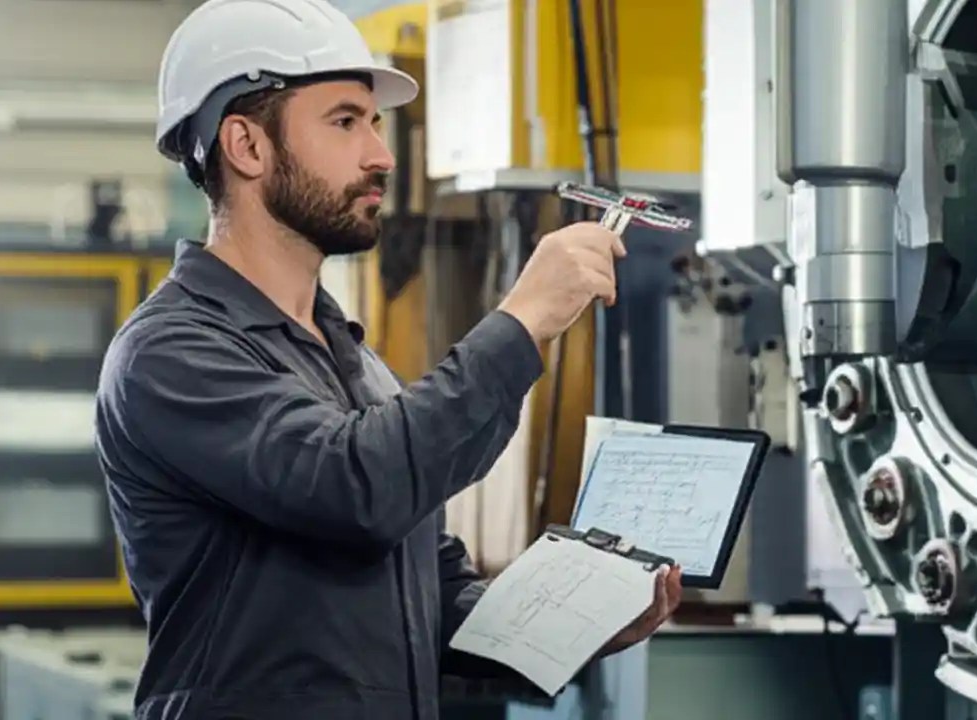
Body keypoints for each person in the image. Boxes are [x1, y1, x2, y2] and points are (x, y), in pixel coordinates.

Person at [92, 0, 682, 718]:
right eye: (345, 122)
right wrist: (524, 319)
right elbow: (354, 487)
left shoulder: (353, 363)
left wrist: (579, 625)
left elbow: (433, 600)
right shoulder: (172, 352)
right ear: (246, 146)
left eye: (375, 123)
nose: (382, 154)